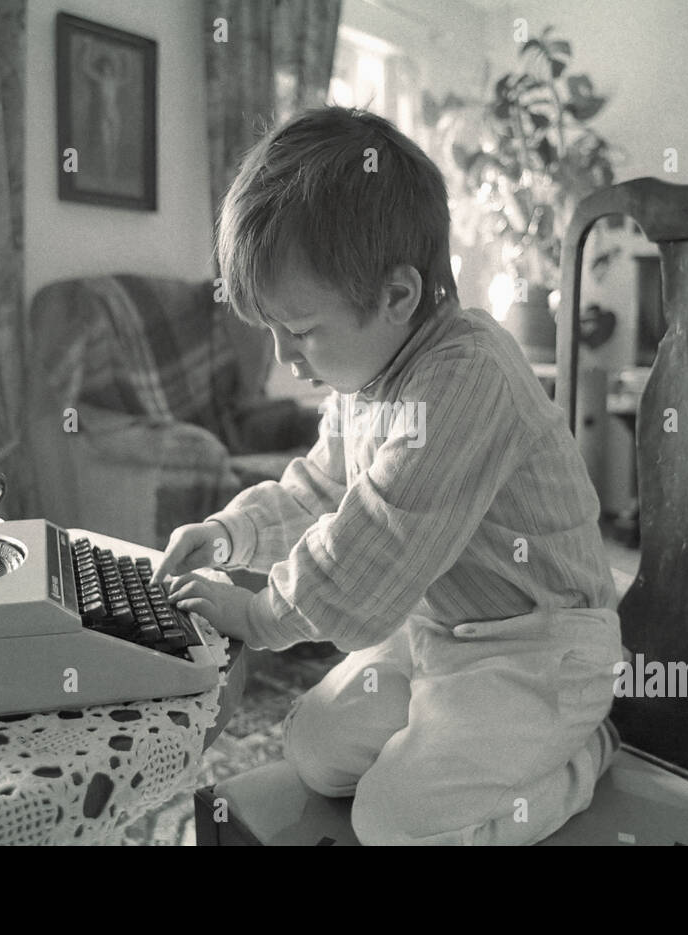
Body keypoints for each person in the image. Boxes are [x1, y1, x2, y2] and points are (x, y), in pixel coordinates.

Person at [156, 107, 622, 845]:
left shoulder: (466, 379)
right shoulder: (367, 376)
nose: (285, 357)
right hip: (437, 633)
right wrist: (228, 536)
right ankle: (460, 734)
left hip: (539, 651)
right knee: (312, 748)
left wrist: (253, 616)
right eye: (273, 331)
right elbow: (318, 491)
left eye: (301, 330)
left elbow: (371, 536)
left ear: (399, 296)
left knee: (390, 820)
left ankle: (581, 752)